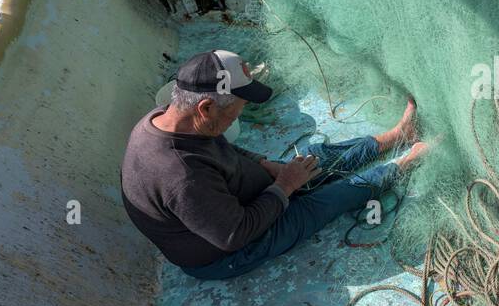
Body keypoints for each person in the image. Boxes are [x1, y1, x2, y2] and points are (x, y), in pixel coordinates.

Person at [120, 49, 424, 279]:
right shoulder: (180, 176)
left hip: (236, 198)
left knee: (314, 156)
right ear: (207, 107)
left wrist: (267, 165)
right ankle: (406, 163)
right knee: (321, 202)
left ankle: (399, 134)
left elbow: (222, 145)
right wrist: (285, 187)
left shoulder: (172, 117)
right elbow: (234, 234)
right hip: (228, 250)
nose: (237, 117)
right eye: (236, 112)